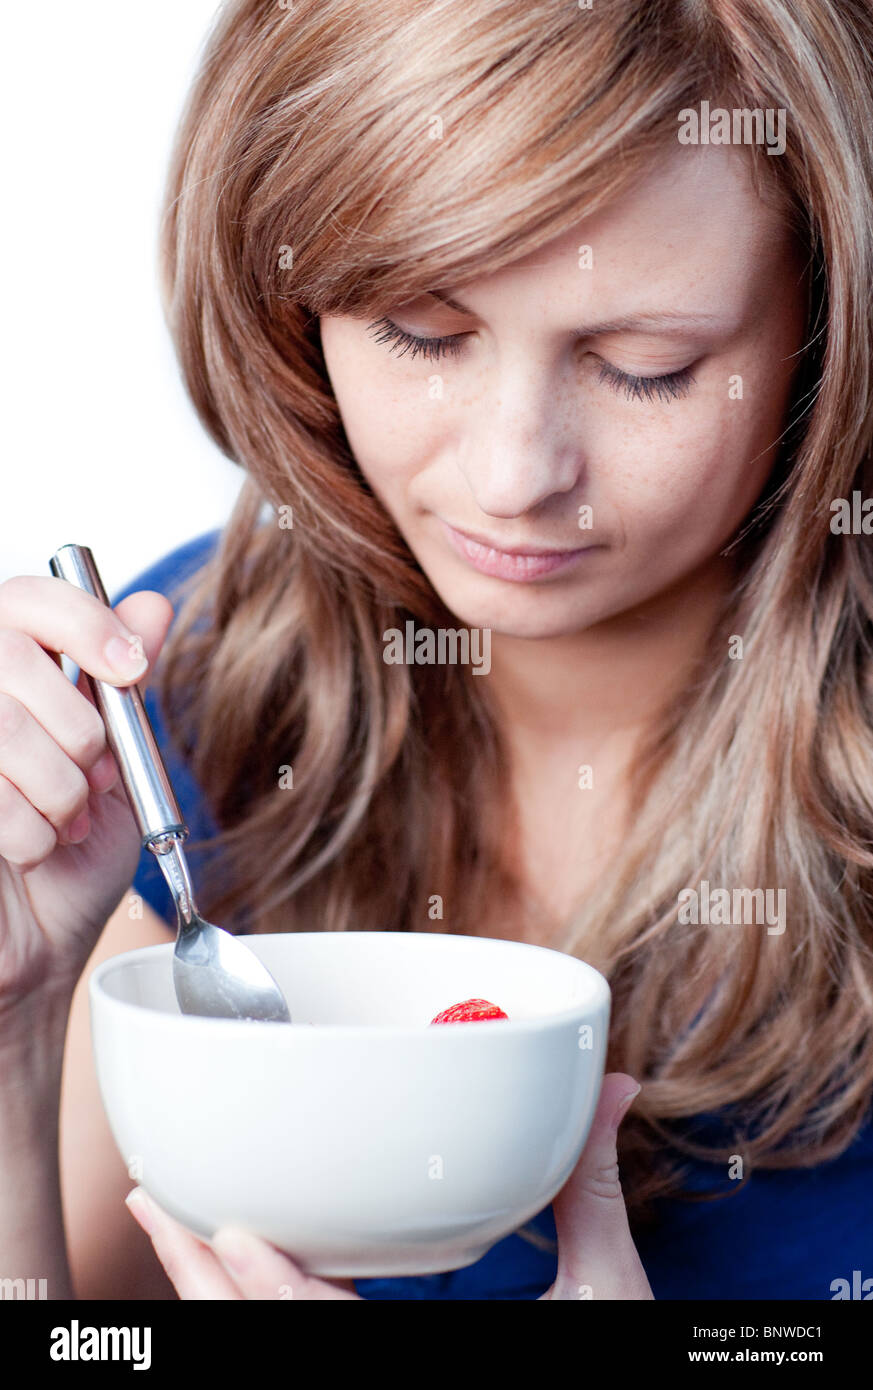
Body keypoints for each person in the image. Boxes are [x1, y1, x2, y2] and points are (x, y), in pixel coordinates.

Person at [2, 0, 872, 1301]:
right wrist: (16, 1024)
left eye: (644, 366)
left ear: (823, 336)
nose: (512, 474)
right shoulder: (204, 666)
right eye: (420, 332)